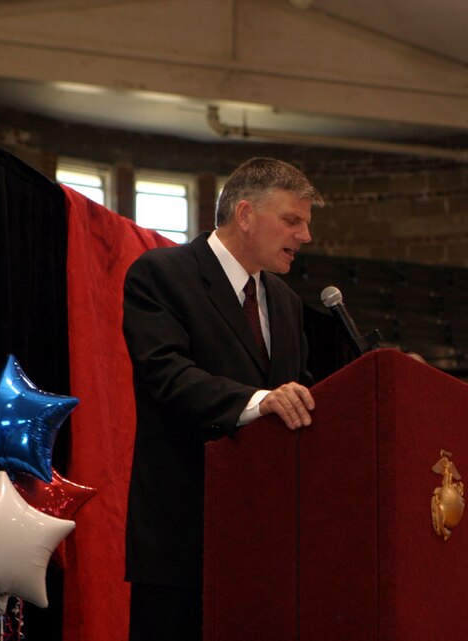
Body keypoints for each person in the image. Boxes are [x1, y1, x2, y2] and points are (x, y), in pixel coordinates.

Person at [122, 157, 328, 641]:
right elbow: (165, 373)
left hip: (264, 548)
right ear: (245, 214)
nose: (305, 237)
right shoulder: (162, 274)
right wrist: (260, 401)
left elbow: (298, 390)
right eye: (292, 220)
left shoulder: (285, 301)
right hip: (181, 542)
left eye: (306, 224)